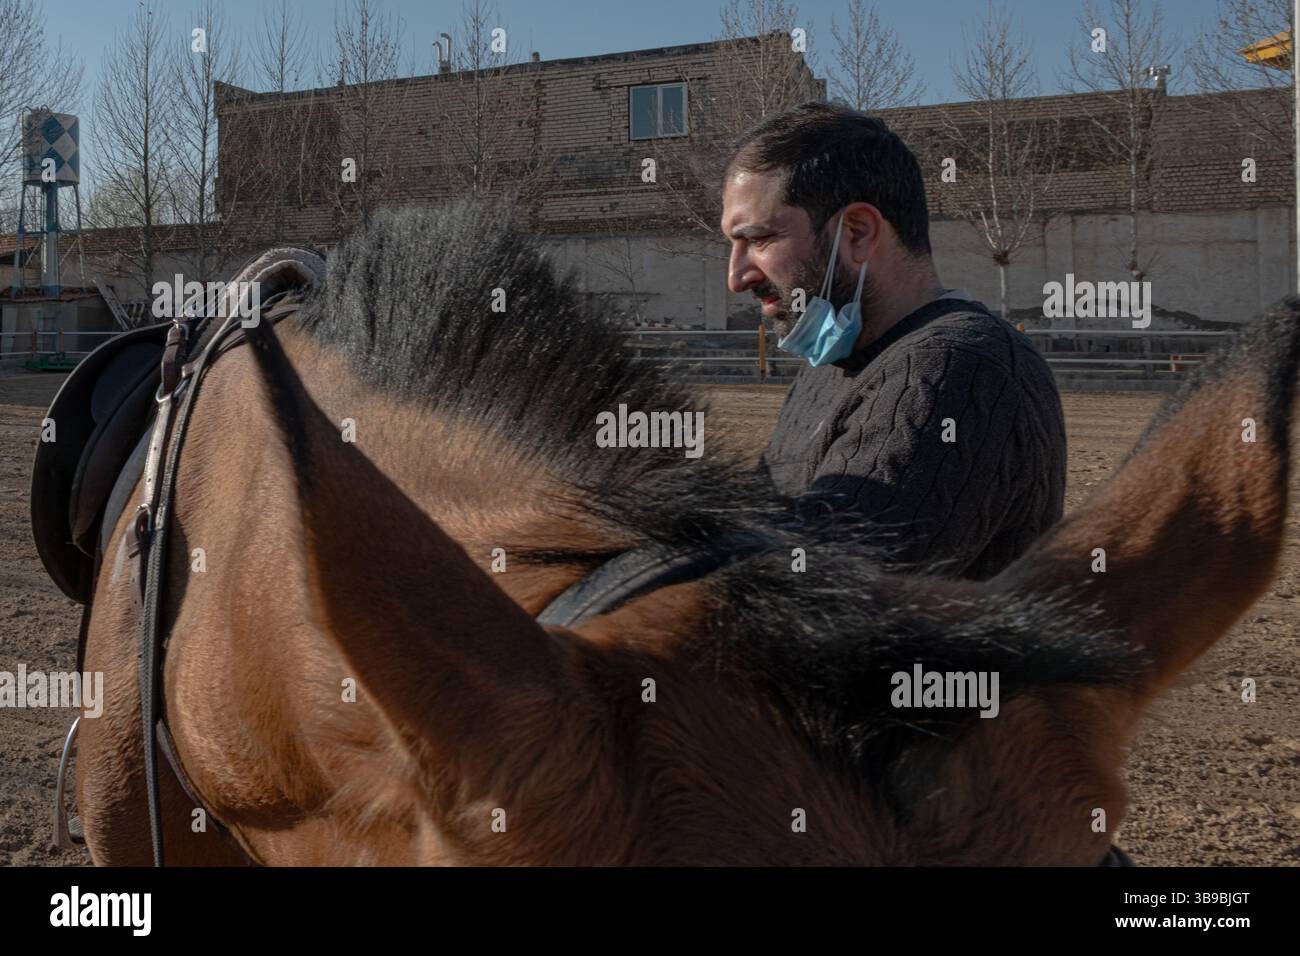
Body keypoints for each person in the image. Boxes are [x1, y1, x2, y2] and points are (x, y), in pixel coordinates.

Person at [721, 102, 1066, 581]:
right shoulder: (835, 361)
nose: (736, 276)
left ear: (858, 233)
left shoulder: (957, 365)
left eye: (757, 239)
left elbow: (818, 592)